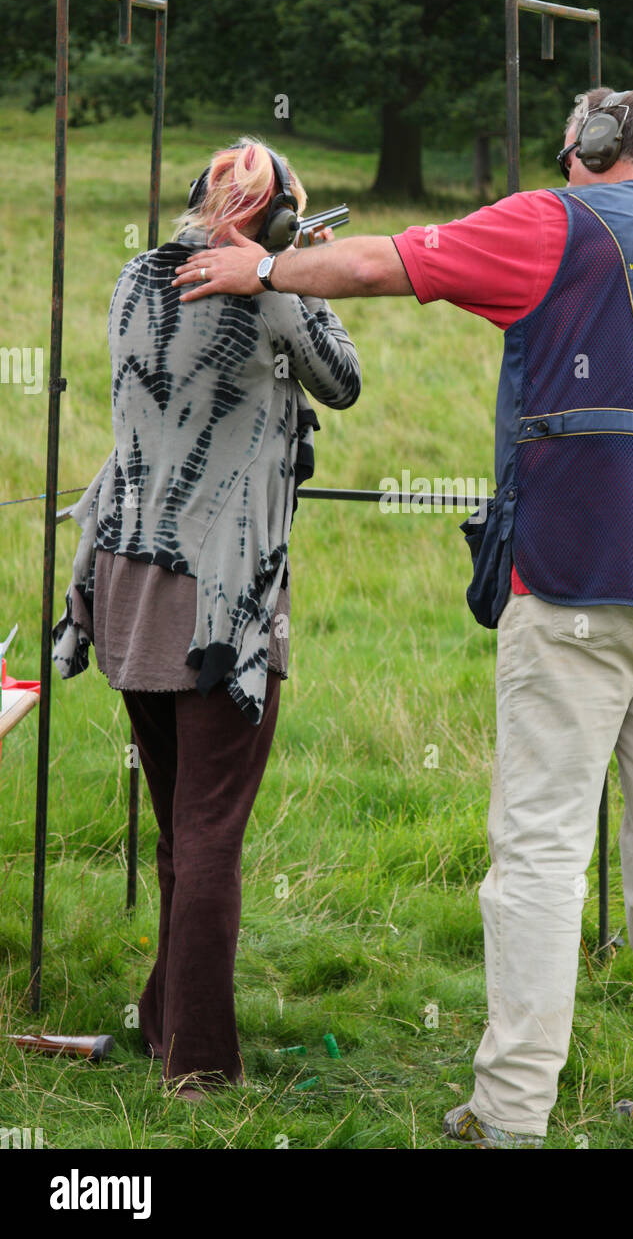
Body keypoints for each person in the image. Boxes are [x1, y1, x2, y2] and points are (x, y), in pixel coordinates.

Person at [172, 91, 633, 1143]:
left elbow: (381, 264)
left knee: (537, 846)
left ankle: (511, 1110)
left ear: (594, 148)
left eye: (569, 139)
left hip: (572, 580)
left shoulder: (554, 221)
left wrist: (260, 269)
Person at [52, 138, 361, 1101]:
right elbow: (341, 380)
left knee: (182, 823)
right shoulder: (272, 293)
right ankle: (202, 1065)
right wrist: (292, 270)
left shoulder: (129, 282)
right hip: (220, 599)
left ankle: (160, 1018)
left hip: (127, 583)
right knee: (213, 830)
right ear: (269, 221)